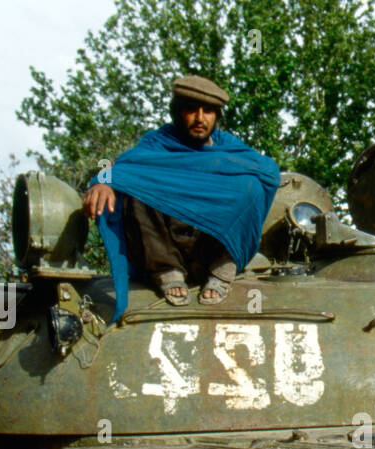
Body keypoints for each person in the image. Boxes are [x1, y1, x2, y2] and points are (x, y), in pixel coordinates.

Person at [82, 75, 280, 315]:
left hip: (210, 246)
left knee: (252, 186)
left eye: (208, 111)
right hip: (164, 244)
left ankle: (223, 269)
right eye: (190, 109)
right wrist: (103, 182)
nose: (199, 118)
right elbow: (125, 168)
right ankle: (167, 271)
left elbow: (268, 171)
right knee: (138, 188)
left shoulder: (228, 147)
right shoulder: (158, 141)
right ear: (177, 113)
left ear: (217, 116)